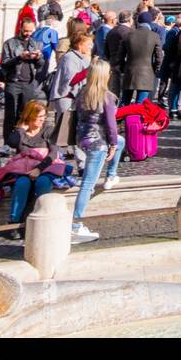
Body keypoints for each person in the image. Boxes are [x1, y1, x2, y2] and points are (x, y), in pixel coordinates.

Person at [71, 59, 124, 242]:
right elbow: (111, 126)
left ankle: (111, 175)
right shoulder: (107, 96)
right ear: (105, 76)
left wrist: (117, 142)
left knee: (122, 141)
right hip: (98, 143)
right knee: (88, 184)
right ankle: (75, 226)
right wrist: (113, 145)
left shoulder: (82, 92)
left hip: (83, 139)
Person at [0, 100, 65, 237]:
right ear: (30, 116)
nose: (43, 119)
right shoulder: (21, 132)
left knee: (42, 183)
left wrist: (39, 169)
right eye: (40, 117)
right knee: (22, 184)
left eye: (44, 116)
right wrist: (20, 129)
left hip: (46, 167)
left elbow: (53, 153)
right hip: (24, 169)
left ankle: (41, 220)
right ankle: (14, 223)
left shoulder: (48, 130)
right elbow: (12, 143)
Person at [0, 17, 48, 140]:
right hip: (13, 81)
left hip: (29, 82)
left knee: (27, 113)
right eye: (26, 30)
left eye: (31, 31)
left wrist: (38, 58)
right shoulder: (10, 43)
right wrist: (19, 57)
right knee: (10, 114)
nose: (28, 33)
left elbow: (40, 65)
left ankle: (23, 139)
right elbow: (4, 63)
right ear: (20, 28)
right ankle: (8, 141)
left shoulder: (36, 43)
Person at [124, 16, 161, 105]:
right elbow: (159, 56)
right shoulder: (154, 36)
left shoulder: (128, 35)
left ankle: (121, 118)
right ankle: (136, 118)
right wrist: (156, 68)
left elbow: (120, 54)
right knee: (140, 103)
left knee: (125, 101)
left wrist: (122, 68)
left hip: (129, 71)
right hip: (147, 72)